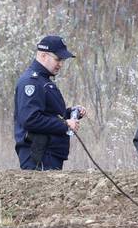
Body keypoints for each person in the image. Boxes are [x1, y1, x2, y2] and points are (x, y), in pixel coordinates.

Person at [13, 35, 88, 170]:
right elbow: (31, 119)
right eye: (57, 59)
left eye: (62, 60)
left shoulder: (44, 81)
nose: (60, 64)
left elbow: (49, 114)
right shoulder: (32, 82)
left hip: (48, 154)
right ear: (43, 55)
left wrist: (71, 113)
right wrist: (65, 124)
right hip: (38, 155)